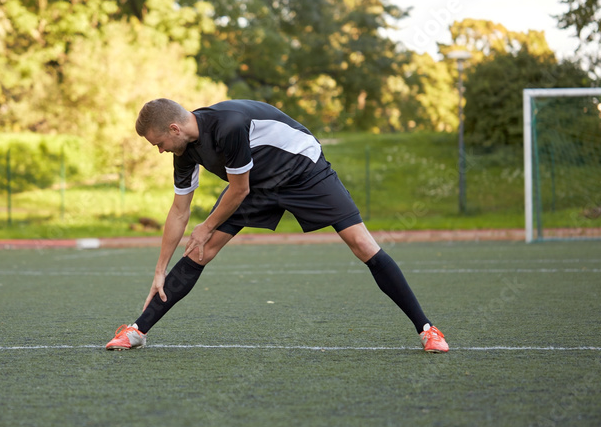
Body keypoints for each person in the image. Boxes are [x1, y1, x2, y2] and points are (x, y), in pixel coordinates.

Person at [105, 98, 449, 353]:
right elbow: (179, 211)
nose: (160, 151)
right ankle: (138, 330)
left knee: (362, 244)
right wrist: (160, 269)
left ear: (174, 129)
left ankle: (428, 330)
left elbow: (238, 189)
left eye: (159, 143)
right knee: (200, 250)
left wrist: (207, 225)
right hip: (256, 183)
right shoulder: (184, 152)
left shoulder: (228, 125)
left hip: (303, 170)